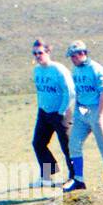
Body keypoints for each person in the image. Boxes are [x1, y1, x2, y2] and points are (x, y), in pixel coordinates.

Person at [64, 41, 103, 191]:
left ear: (82, 54)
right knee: (74, 144)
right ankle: (78, 180)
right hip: (81, 111)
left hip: (96, 109)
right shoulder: (75, 70)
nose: (72, 59)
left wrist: (99, 114)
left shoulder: (97, 70)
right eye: (71, 57)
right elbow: (76, 92)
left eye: (74, 56)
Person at [30, 39, 74, 188]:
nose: (37, 56)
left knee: (67, 146)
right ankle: (47, 176)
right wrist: (42, 107)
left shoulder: (58, 70)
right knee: (38, 143)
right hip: (44, 112)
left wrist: (61, 111)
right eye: (35, 53)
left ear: (48, 52)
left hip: (61, 112)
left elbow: (70, 92)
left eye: (40, 53)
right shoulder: (37, 70)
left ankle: (74, 178)